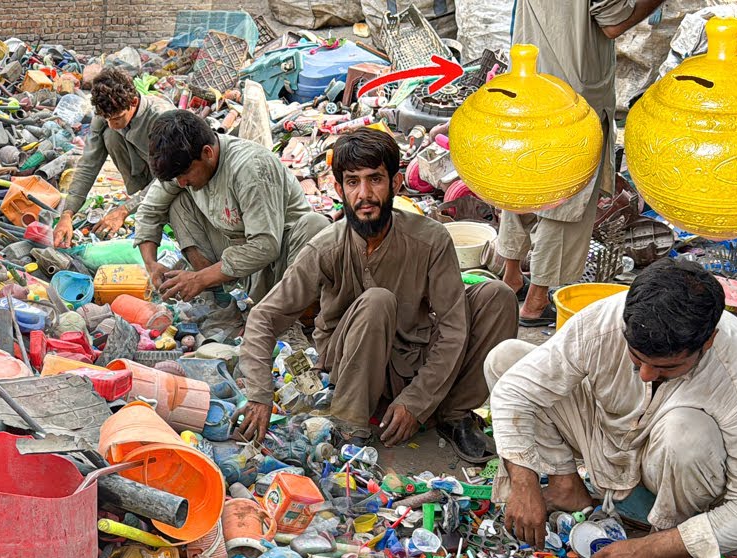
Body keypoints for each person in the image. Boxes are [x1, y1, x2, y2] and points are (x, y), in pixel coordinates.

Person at [487, 259, 737, 558]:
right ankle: (566, 485)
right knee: (506, 360)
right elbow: (514, 392)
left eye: (665, 368)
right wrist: (524, 481)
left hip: (679, 478)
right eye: (636, 359)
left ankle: (667, 534)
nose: (645, 375)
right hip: (608, 446)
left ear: (708, 341)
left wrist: (653, 548)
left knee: (685, 433)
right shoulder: (607, 318)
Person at [237, 128, 518, 463]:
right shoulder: (326, 247)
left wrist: (416, 400)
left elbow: (453, 327)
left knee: (497, 297)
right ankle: (350, 426)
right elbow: (264, 317)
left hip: (412, 356)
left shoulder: (430, 239)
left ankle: (453, 414)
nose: (364, 194)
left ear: (396, 184)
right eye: (353, 182)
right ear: (339, 189)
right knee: (377, 300)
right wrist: (259, 394)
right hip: (353, 364)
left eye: (375, 179)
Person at [494, 0, 669, 326]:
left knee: (524, 182)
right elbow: (613, 22)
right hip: (573, 92)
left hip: (531, 79)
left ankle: (512, 277)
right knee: (567, 197)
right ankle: (535, 302)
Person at [134, 110, 330, 303]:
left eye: (185, 174)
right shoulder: (184, 164)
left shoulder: (250, 168)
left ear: (207, 153)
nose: (182, 182)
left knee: (314, 224)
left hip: (279, 260)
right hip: (235, 254)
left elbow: (266, 245)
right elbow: (149, 210)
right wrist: (151, 265)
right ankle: (216, 297)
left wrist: (200, 278)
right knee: (178, 203)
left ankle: (287, 314)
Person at [53, 67, 174, 248]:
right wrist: (67, 214)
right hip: (146, 180)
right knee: (109, 134)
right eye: (106, 118)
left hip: (173, 179)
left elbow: (171, 178)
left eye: (117, 118)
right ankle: (144, 200)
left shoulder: (162, 118)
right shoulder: (106, 116)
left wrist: (125, 210)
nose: (111, 123)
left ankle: (152, 206)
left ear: (133, 101)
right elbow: (88, 164)